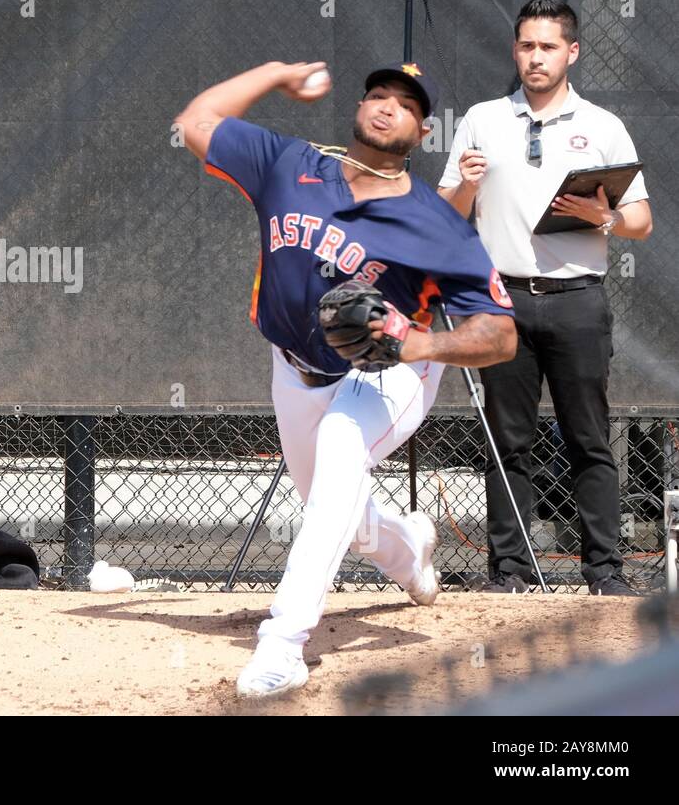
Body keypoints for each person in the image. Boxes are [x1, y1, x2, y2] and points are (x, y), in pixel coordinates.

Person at [174, 61, 516, 698]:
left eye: (407, 105)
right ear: (358, 109)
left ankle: (284, 644)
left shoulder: (433, 222)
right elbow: (196, 122)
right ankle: (408, 547)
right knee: (346, 520)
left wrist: (421, 340)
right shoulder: (290, 166)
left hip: (391, 368)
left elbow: (500, 335)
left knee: (340, 446)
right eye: (379, 95)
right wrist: (275, 74)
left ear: (422, 132)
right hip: (294, 369)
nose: (388, 107)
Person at [438, 0, 652, 596]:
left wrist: (600, 214)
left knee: (589, 437)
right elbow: (445, 214)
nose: (536, 57)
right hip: (500, 300)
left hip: (578, 298)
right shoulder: (482, 119)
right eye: (527, 46)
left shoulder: (603, 125)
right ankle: (509, 573)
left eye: (549, 46)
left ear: (571, 52)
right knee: (508, 441)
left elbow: (642, 220)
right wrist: (467, 185)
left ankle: (605, 573)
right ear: (515, 50)